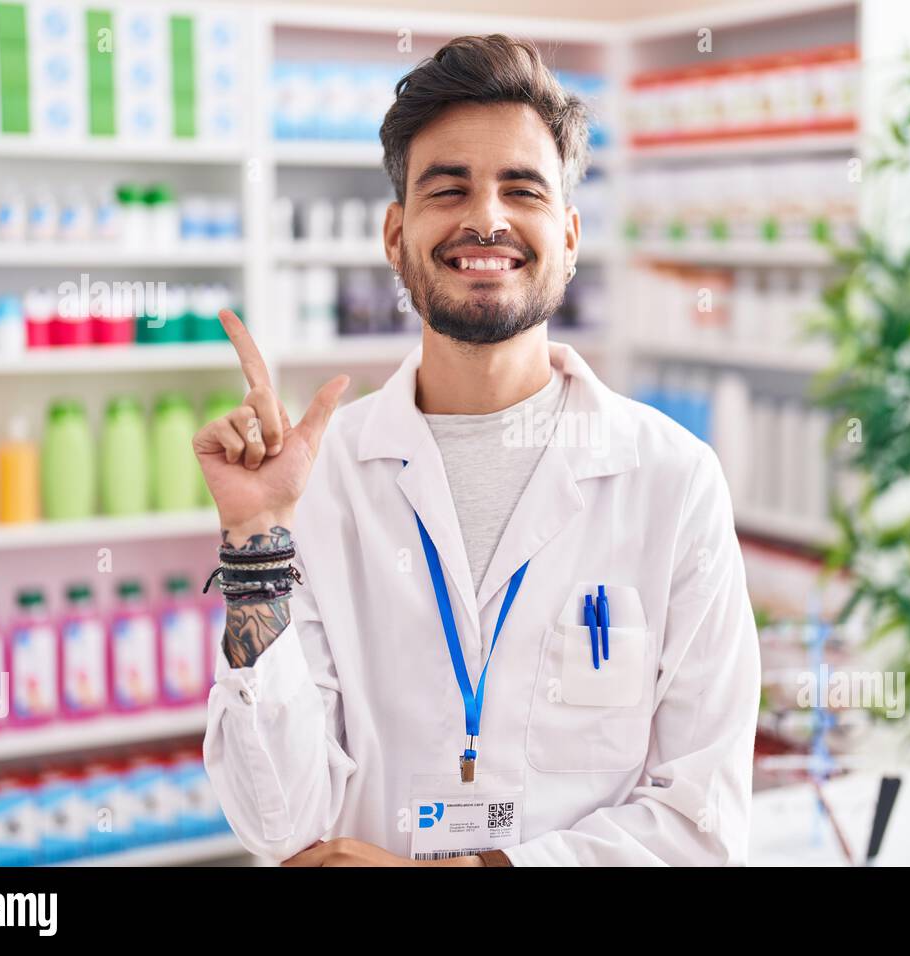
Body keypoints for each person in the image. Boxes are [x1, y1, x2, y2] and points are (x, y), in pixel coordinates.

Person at [197, 34, 760, 867]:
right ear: (396, 235)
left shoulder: (673, 481)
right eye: (447, 187)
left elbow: (704, 822)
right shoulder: (317, 485)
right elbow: (280, 824)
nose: (485, 218)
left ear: (568, 235)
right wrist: (255, 549)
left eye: (521, 189)